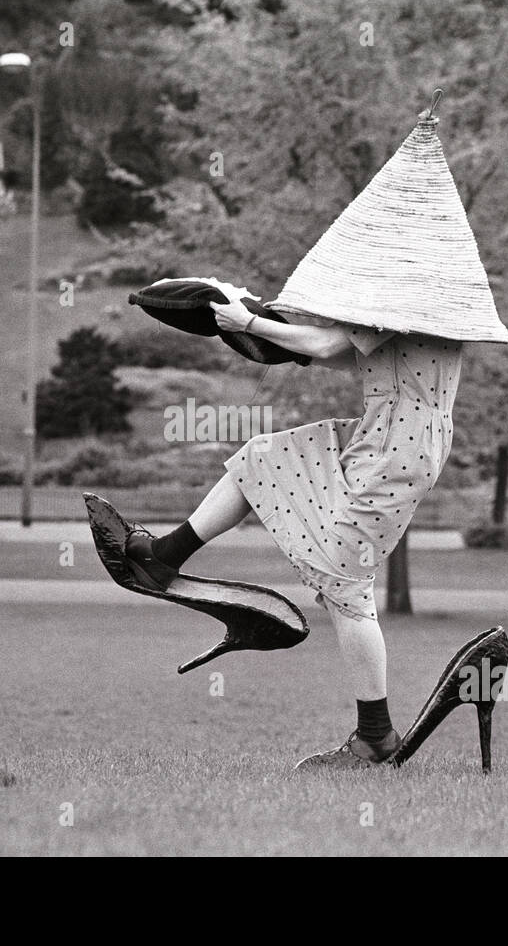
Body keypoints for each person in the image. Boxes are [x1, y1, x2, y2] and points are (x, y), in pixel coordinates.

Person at [124, 288, 464, 769]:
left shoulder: (405, 300)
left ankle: (376, 738)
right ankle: (163, 557)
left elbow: (326, 344)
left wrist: (249, 324)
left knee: (346, 587)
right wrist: (265, 324)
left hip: (395, 445)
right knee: (262, 457)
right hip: (387, 432)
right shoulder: (432, 306)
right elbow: (345, 354)